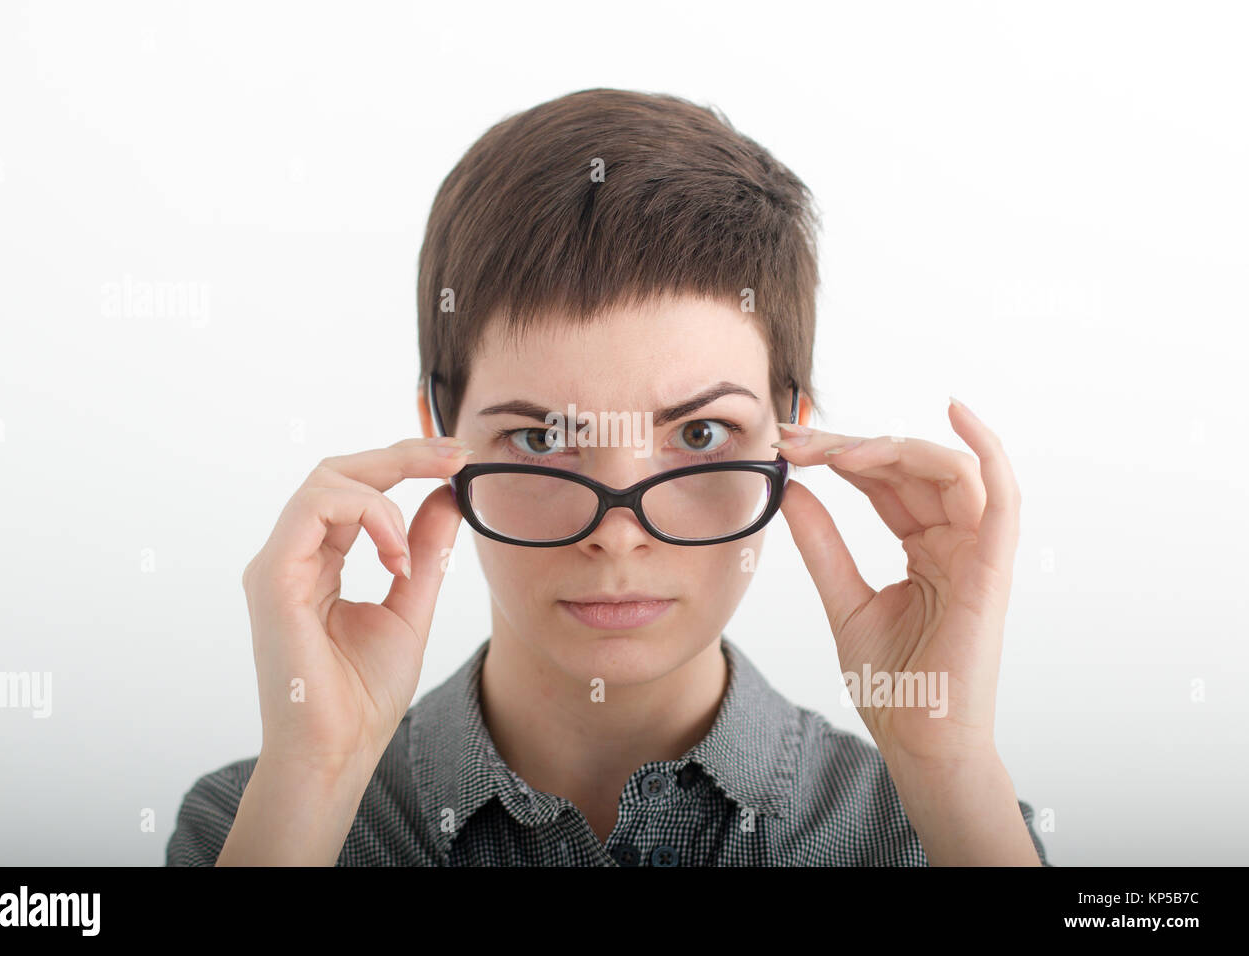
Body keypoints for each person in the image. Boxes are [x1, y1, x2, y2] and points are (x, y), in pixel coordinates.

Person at [166, 88, 1049, 866]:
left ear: (793, 438)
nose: (617, 532)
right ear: (440, 430)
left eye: (701, 432)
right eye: (544, 437)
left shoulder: (939, 832)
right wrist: (313, 779)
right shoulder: (254, 825)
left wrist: (950, 768)